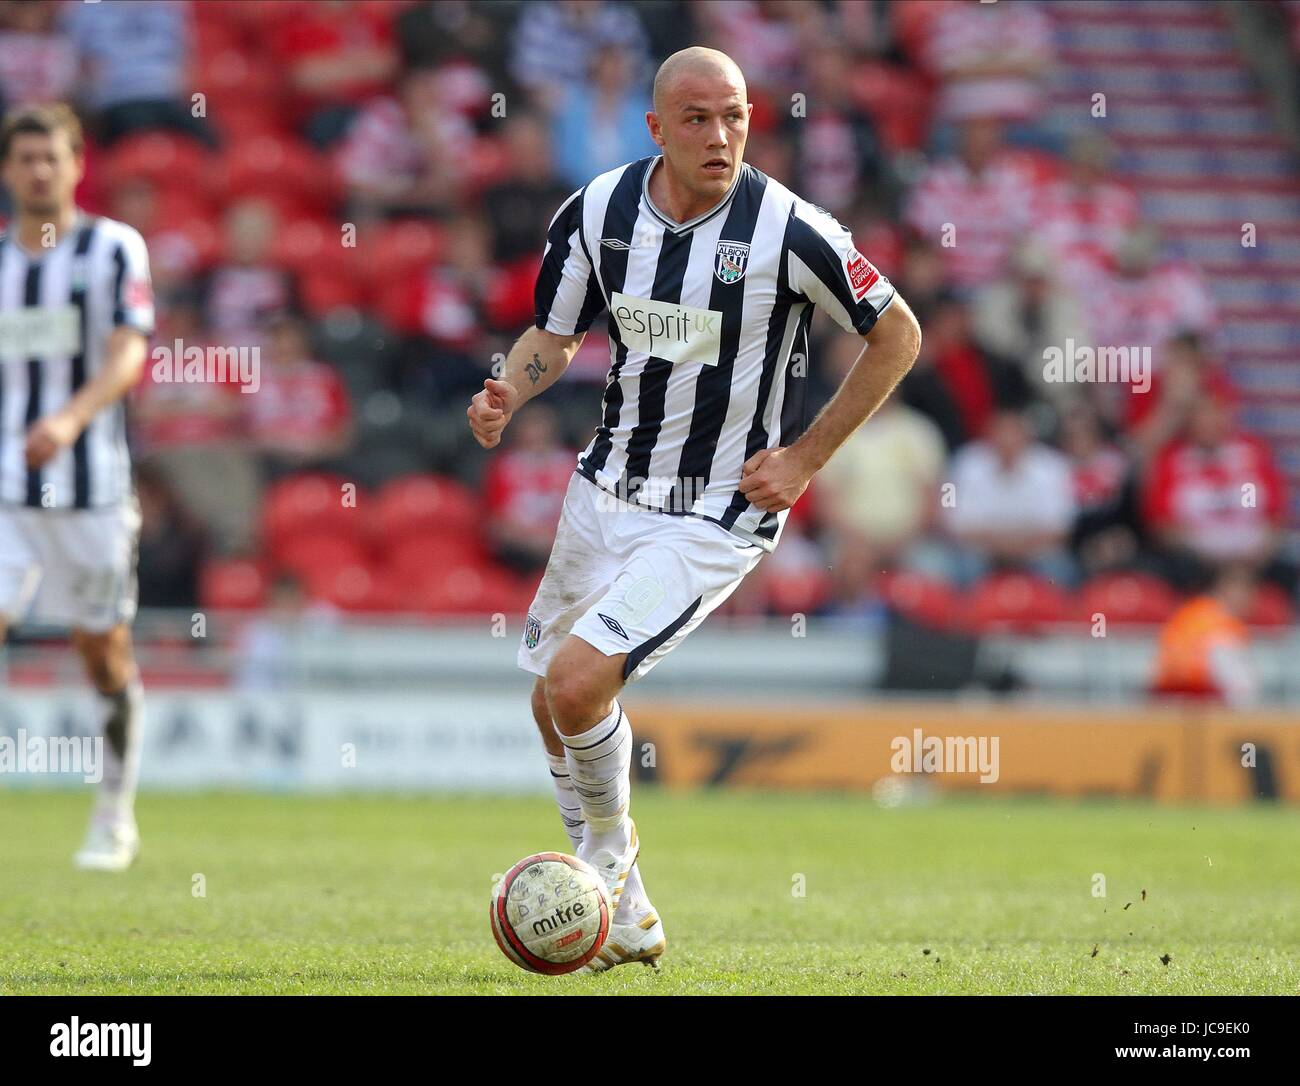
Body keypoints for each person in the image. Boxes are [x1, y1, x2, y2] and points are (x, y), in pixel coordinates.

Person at [466, 47, 921, 972]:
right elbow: (556, 333)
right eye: (697, 119)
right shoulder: (596, 212)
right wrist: (509, 391)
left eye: (736, 117)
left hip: (714, 510)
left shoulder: (789, 230)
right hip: (604, 490)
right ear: (656, 127)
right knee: (552, 700)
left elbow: (898, 333)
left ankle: (601, 863)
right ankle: (625, 915)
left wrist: (804, 459)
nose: (720, 137)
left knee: (580, 682)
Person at [0, 105, 154, 870]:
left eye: (50, 158)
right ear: (6, 170)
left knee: (102, 653)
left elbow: (129, 356)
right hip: (5, 491)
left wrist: (66, 420)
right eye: (24, 158)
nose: (37, 171)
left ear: (76, 165)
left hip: (92, 488)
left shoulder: (112, 249)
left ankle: (113, 811)